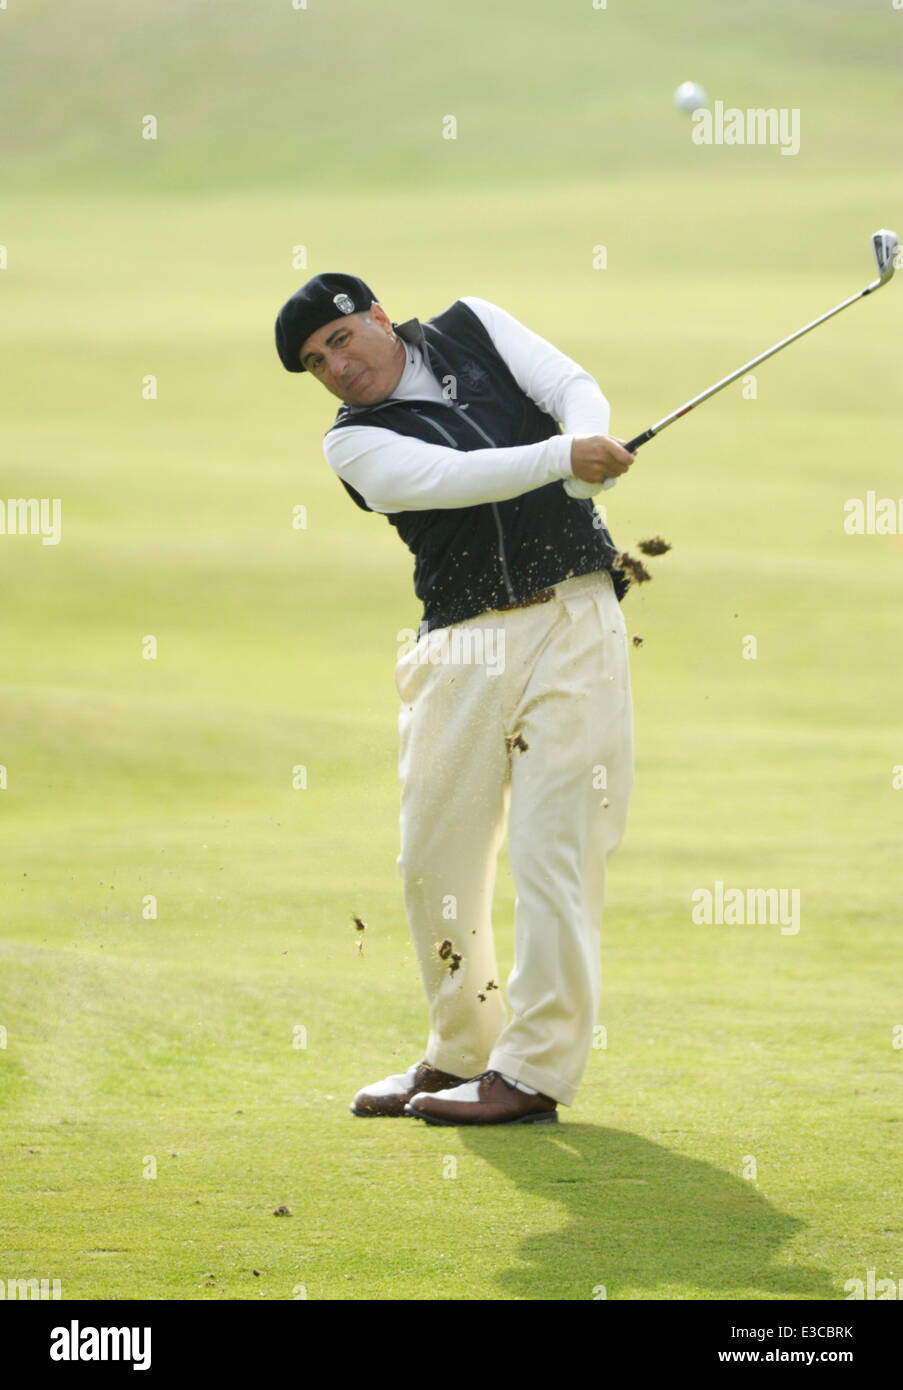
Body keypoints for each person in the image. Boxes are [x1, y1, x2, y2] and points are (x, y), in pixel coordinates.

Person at [274, 273, 637, 1126]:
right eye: (314, 363)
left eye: (338, 340)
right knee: (435, 858)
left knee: (556, 852)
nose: (334, 365)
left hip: (576, 619)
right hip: (459, 643)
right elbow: (453, 477)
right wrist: (564, 459)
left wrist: (587, 443)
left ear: (373, 315)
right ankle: (461, 1052)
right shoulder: (354, 445)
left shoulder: (473, 323)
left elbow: (568, 385)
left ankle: (533, 1073)